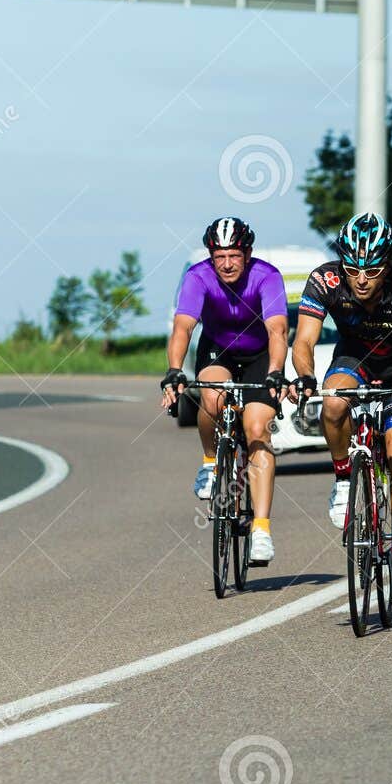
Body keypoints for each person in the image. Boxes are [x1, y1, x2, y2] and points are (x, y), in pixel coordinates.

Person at [292, 213, 392, 600]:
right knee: (334, 401)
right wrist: (305, 376)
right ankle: (343, 477)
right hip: (354, 359)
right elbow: (304, 342)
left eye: (372, 271)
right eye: (353, 269)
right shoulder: (325, 278)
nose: (360, 279)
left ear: (387, 266)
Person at [160, 217, 289, 566]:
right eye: (220, 256)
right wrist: (174, 370)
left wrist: (276, 373)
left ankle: (261, 529)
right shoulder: (198, 277)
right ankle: (208, 462)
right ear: (211, 256)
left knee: (258, 429)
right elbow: (183, 326)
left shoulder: (267, 276)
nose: (227, 263)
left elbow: (278, 330)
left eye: (234, 255)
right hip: (218, 350)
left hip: (260, 354)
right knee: (213, 396)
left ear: (247, 254)